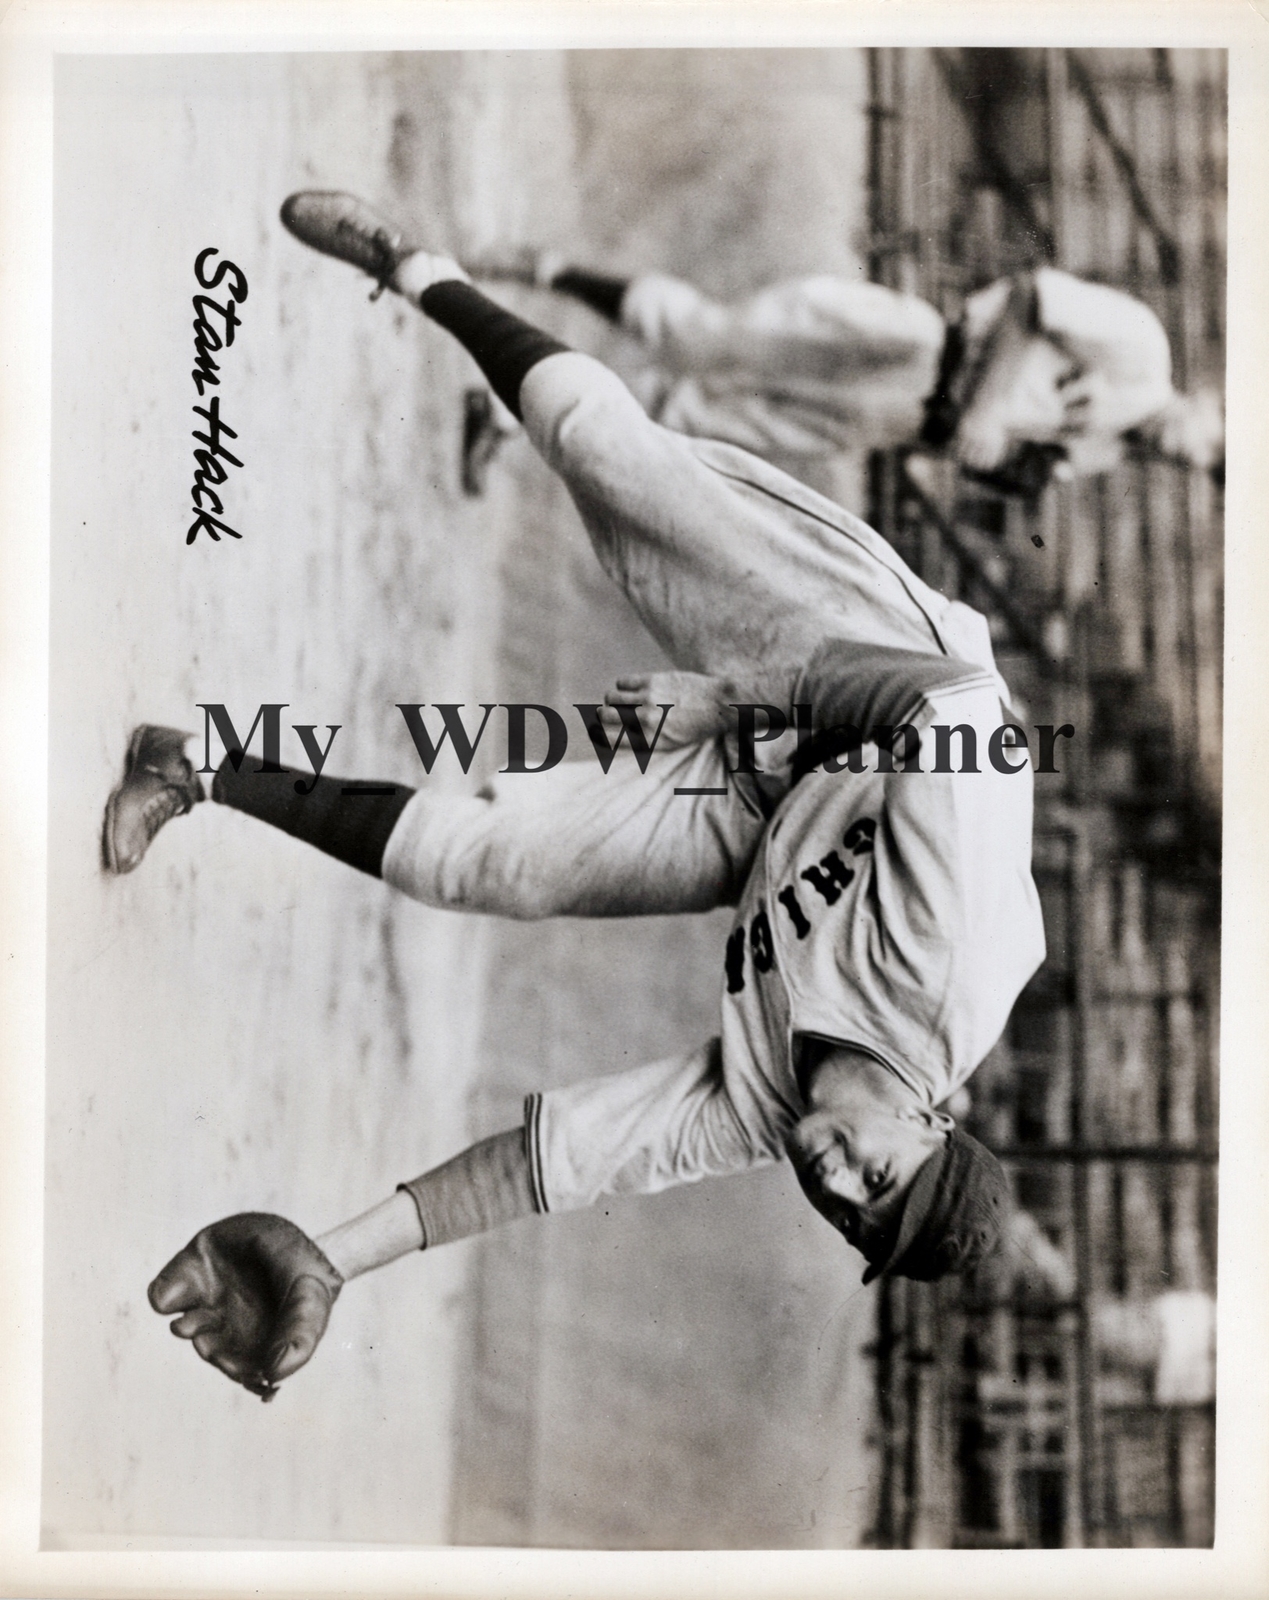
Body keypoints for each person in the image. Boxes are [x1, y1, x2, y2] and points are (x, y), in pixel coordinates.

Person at [112, 191, 1045, 1403]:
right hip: (893, 678)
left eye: (858, 1223)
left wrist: (338, 1256)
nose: (842, 1187)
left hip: (782, 811)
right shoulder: (946, 956)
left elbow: (558, 1165)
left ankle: (191, 767)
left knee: (483, 864)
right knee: (621, 471)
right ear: (933, 1124)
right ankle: (422, 267)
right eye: (884, 1180)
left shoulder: (773, 1115)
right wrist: (736, 696)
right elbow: (958, 713)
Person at [462, 246, 1224, 502]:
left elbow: (1002, 457)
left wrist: (996, 458)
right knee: (708, 336)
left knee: (687, 417)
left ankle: (502, 412)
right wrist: (988, 414)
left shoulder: (1114, 452)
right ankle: (550, 270)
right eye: (1216, 446)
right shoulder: (1143, 355)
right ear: (1217, 403)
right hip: (918, 349)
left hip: (895, 420)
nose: (1194, 458)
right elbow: (1033, 298)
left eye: (1211, 473)